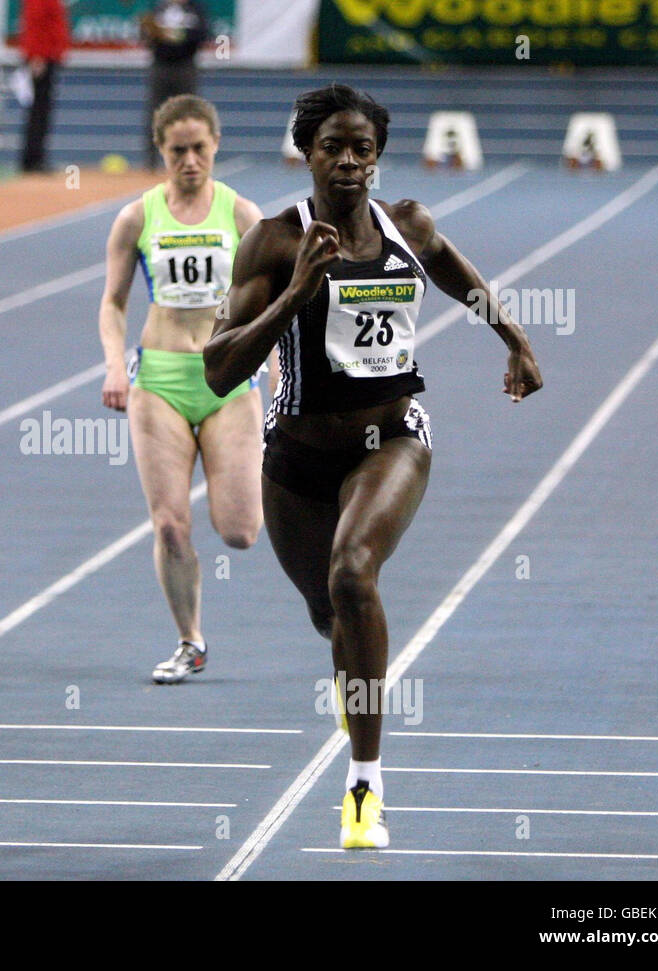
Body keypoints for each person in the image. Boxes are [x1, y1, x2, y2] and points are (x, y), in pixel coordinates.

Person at [204, 83, 541, 848]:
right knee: (329, 615)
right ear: (307, 152)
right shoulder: (273, 242)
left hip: (392, 440)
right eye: (334, 147)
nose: (350, 162)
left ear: (378, 158)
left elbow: (456, 274)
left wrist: (514, 338)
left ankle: (364, 784)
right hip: (295, 457)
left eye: (364, 149)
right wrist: (293, 296)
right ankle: (349, 663)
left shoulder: (409, 225)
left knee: (353, 574)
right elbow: (219, 369)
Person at [100, 95, 273, 685]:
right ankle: (190, 639)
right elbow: (113, 302)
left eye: (200, 148)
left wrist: (273, 357)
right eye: (178, 151)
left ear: (216, 146)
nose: (190, 161)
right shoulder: (137, 218)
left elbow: (278, 298)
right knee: (170, 524)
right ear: (161, 151)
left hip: (226, 380)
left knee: (240, 531)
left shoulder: (243, 214)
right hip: (160, 381)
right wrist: (112, 366)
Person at [140, 0, 210, 169]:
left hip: (185, 66)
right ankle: (151, 161)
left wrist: (175, 36)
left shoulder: (194, 9)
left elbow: (203, 35)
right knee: (157, 113)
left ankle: (191, 158)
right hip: (161, 66)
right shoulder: (158, 8)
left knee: (189, 114)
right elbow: (145, 35)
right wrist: (152, 33)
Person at [17, 0, 71, 173]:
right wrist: (36, 55)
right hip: (41, 57)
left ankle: (36, 157)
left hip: (47, 55)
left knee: (42, 110)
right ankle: (32, 159)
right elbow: (34, 23)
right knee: (38, 111)